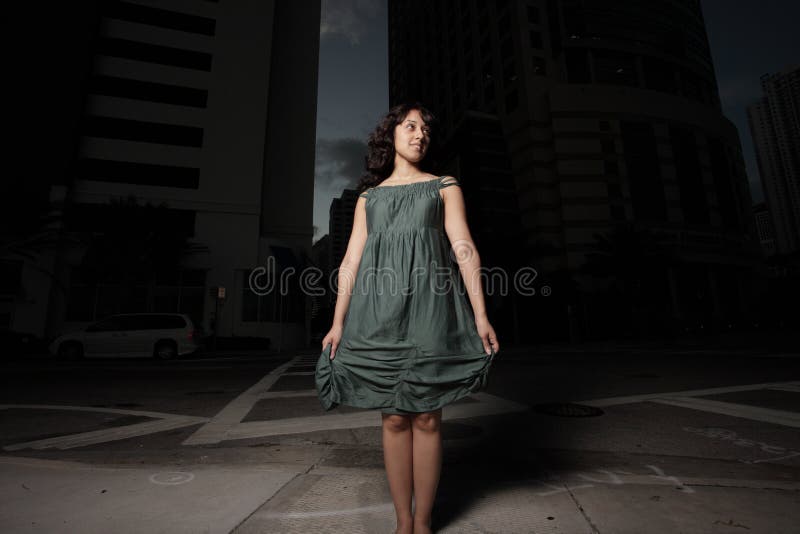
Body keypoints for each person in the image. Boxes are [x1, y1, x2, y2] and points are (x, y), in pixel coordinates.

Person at [315, 102, 499, 534]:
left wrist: (481, 315)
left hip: (431, 311)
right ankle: (402, 523)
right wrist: (338, 322)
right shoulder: (369, 198)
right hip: (378, 313)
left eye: (426, 131)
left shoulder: (444, 186)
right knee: (394, 417)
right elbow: (350, 262)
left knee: (428, 416)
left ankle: (423, 521)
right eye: (411, 126)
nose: (420, 135)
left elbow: (464, 248)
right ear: (391, 134)